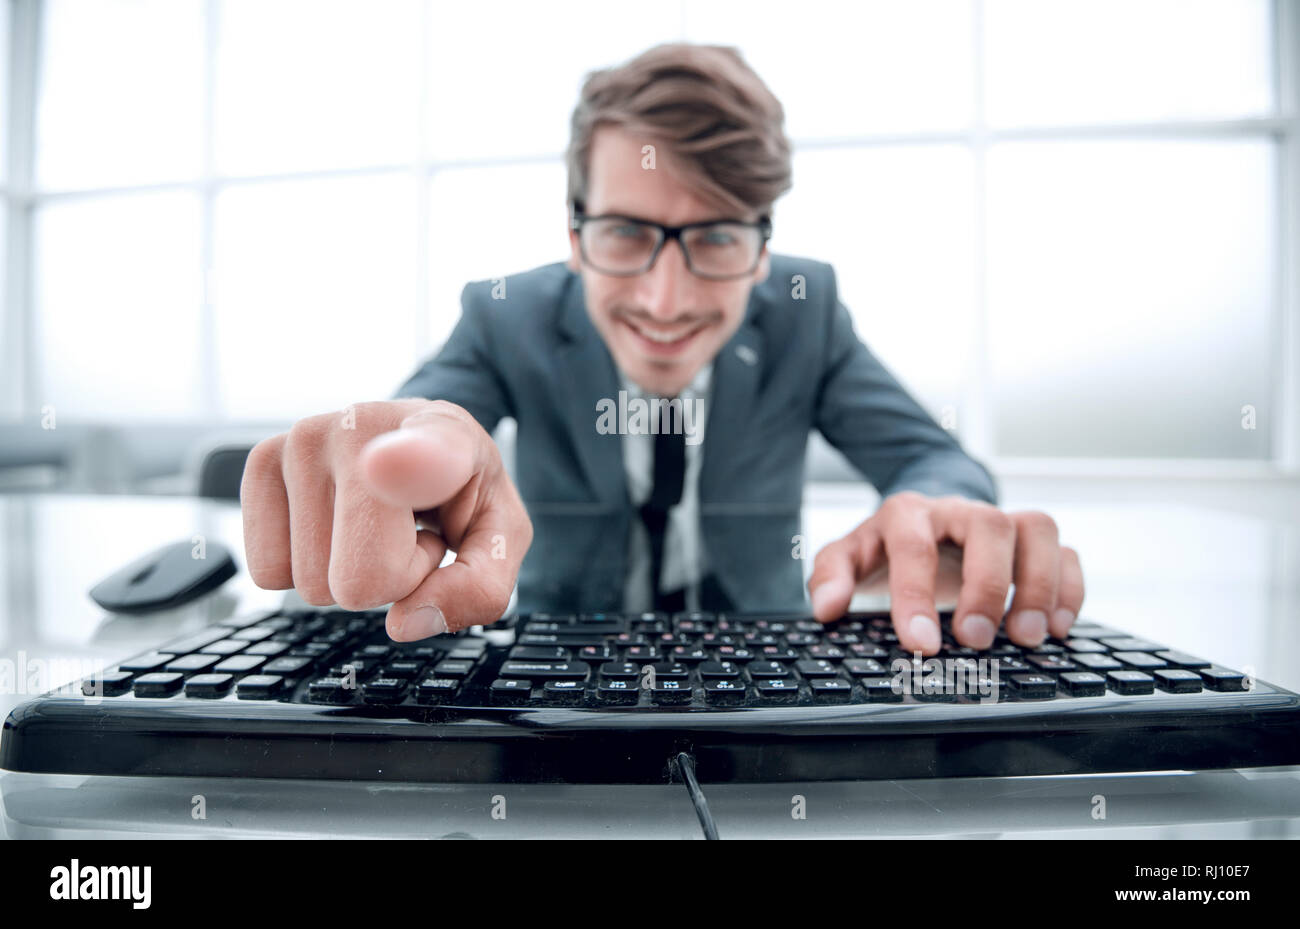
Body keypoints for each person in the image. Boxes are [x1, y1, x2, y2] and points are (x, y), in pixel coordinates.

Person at [240, 43, 1084, 658]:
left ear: (762, 247)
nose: (665, 299)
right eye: (626, 232)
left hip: (764, 665)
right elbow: (433, 418)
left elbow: (931, 458)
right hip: (559, 667)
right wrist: (399, 450)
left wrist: (935, 507)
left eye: (715, 237)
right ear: (574, 233)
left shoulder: (806, 312)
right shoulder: (510, 316)